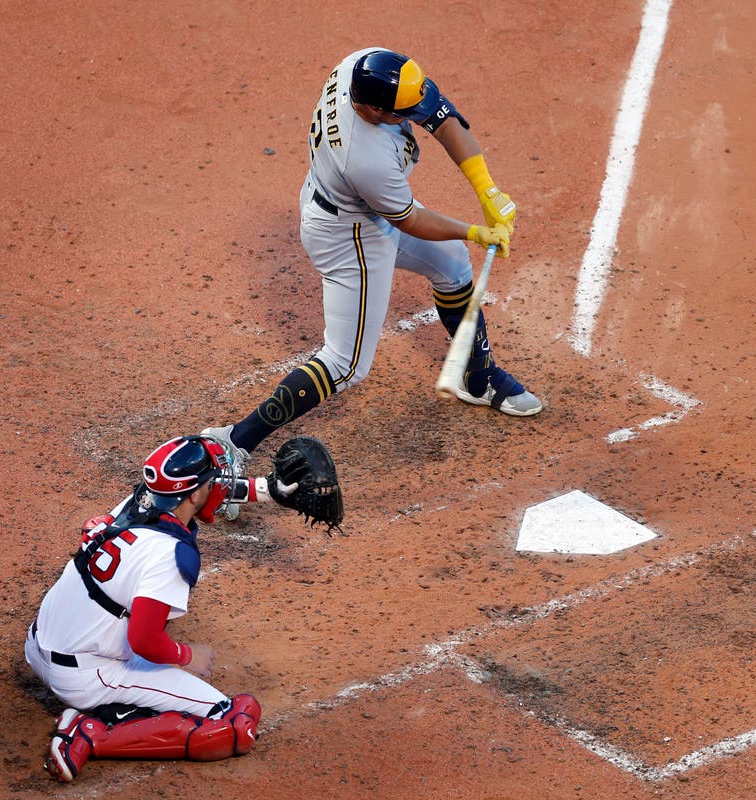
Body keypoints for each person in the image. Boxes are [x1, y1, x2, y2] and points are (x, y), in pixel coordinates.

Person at [203, 47, 541, 475]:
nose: (414, 115)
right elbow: (410, 219)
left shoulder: (363, 65)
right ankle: (232, 443)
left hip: (347, 206)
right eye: (401, 113)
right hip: (350, 235)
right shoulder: (364, 159)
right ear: (373, 108)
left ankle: (478, 376)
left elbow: (442, 116)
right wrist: (474, 231)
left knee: (453, 265)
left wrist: (487, 191)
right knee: (345, 364)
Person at [28, 434, 281, 783]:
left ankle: (117, 712)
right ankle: (91, 734)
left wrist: (268, 490)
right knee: (234, 722)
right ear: (193, 494)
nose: (221, 488)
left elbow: (206, 490)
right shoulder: (168, 555)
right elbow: (145, 641)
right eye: (214, 482)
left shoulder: (136, 503)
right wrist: (187, 655)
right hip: (83, 676)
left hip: (43, 643)